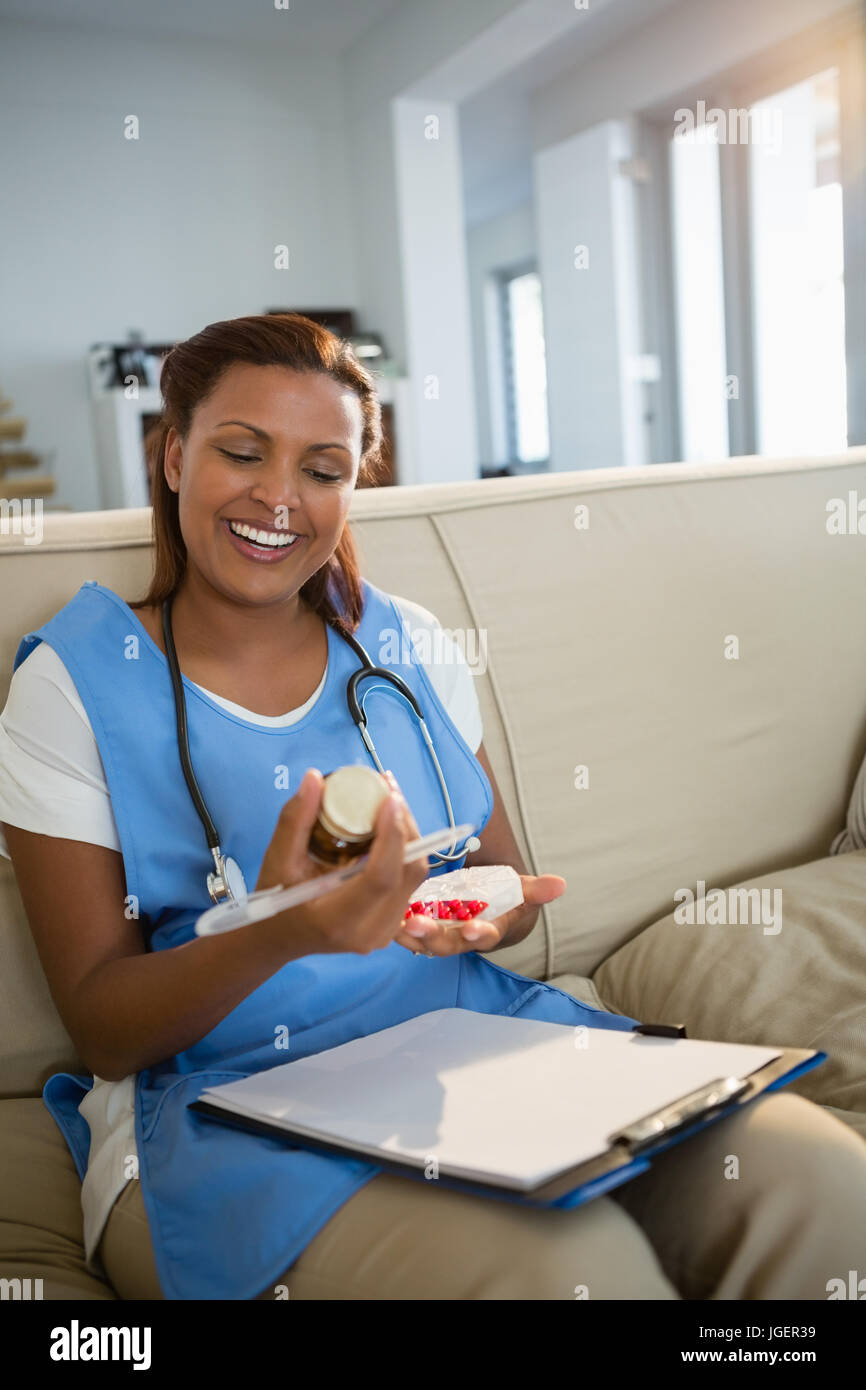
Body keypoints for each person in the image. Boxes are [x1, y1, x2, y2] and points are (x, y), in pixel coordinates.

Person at [2, 313, 865, 1301]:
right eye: (242, 452)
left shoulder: (401, 644)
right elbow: (105, 1027)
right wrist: (281, 931)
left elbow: (505, 883)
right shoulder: (77, 684)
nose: (279, 497)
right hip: (218, 1106)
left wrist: (494, 913)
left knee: (818, 1180)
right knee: (565, 1275)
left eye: (323, 470)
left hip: (461, 1046)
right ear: (171, 456)